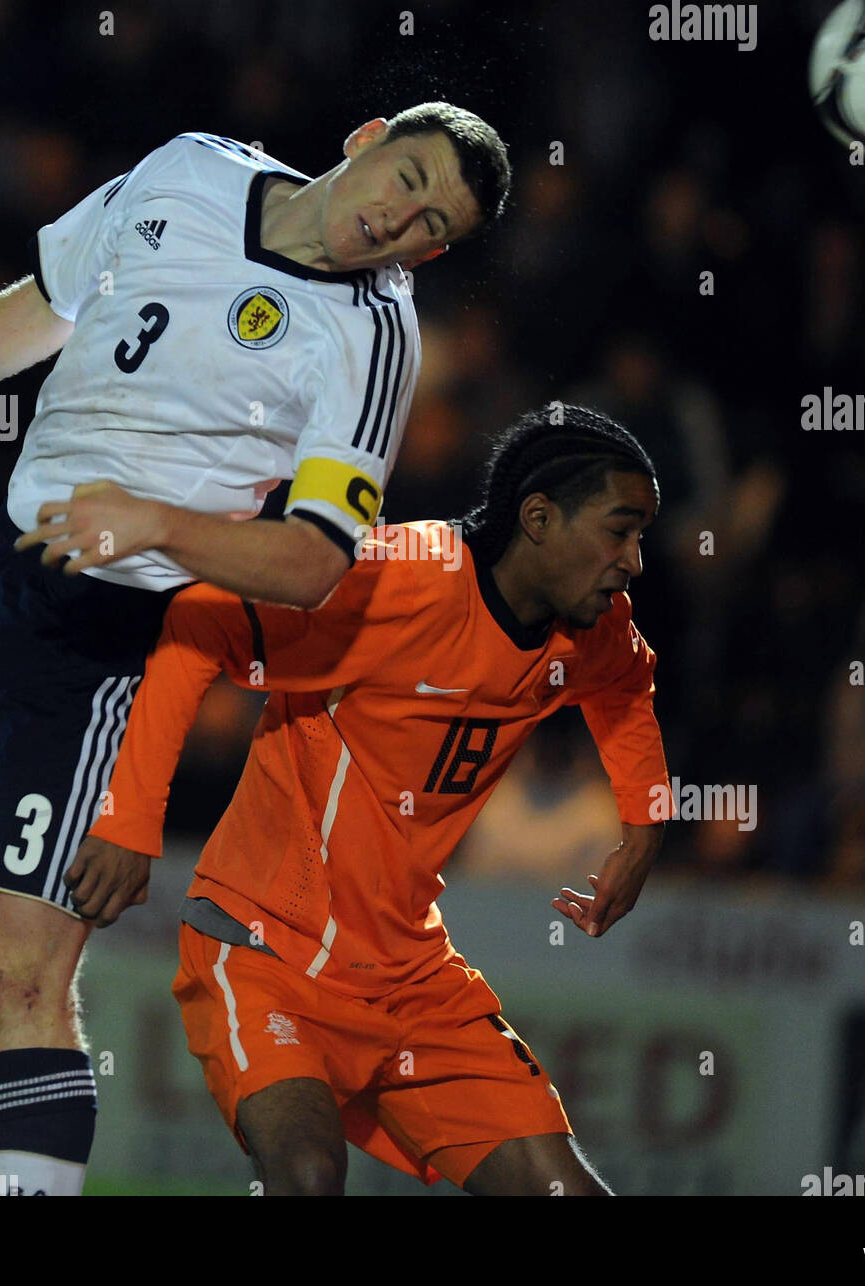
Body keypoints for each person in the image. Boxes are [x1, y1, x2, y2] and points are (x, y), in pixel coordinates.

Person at [0, 104, 510, 1196]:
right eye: (407, 177)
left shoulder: (370, 337)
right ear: (367, 137)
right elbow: (50, 303)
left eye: (431, 224)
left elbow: (317, 560)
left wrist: (162, 526)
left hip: (114, 633)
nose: (398, 220)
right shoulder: (190, 169)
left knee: (15, 973)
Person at [76, 405, 669, 1194]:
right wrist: (128, 819)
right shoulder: (392, 581)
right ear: (537, 518)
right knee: (308, 1172)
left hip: (412, 975)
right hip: (263, 945)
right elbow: (199, 621)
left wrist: (645, 823)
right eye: (619, 530)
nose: (633, 561)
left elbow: (628, 685)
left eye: (640, 538)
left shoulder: (591, 633)